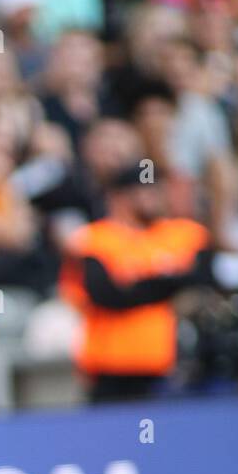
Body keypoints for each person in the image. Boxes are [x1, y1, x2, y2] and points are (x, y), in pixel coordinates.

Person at [60, 164, 215, 403]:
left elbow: (203, 282)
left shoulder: (184, 234)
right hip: (109, 363)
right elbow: (106, 295)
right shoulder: (96, 238)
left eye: (155, 190)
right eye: (143, 191)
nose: (153, 198)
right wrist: (168, 283)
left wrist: (139, 284)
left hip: (168, 362)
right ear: (119, 197)